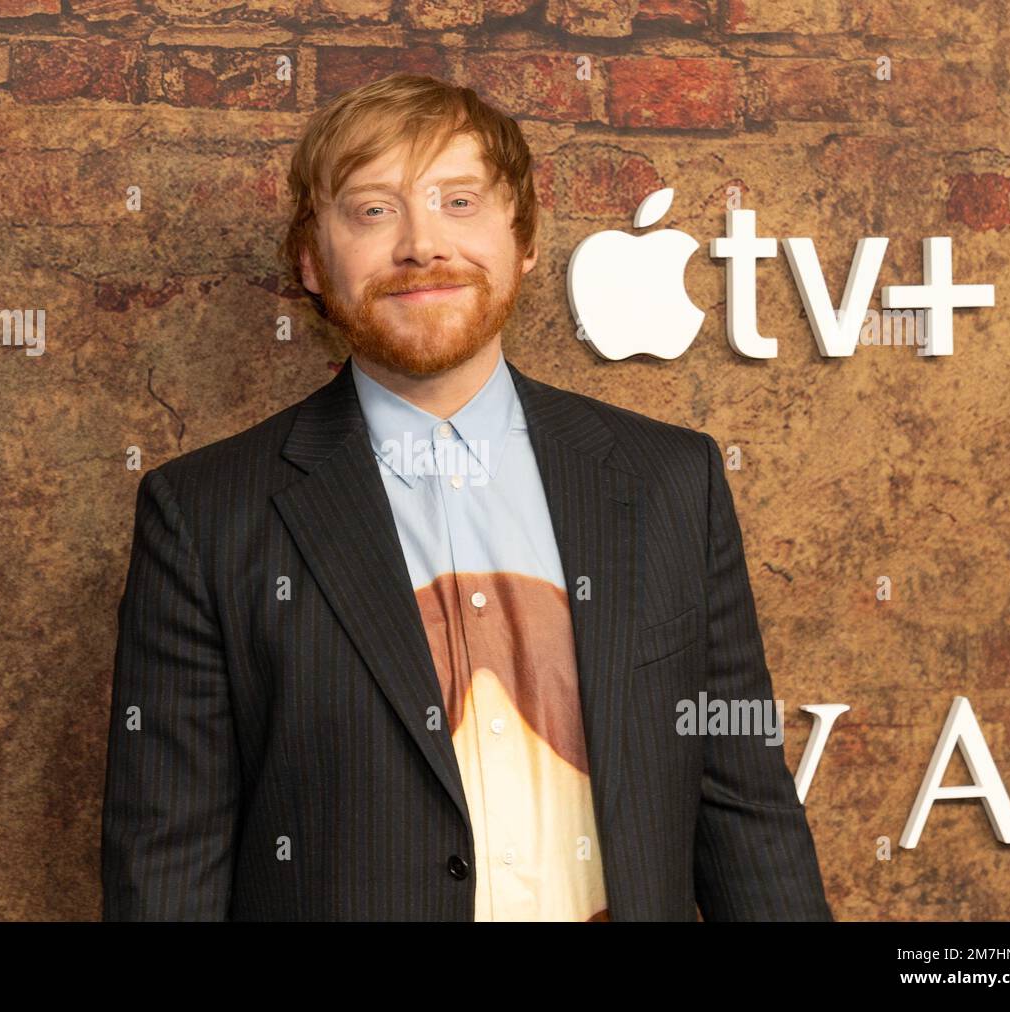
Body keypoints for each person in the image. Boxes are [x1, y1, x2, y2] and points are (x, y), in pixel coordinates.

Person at [101, 72, 834, 922]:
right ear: (310, 259)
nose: (422, 245)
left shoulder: (672, 481)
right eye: (374, 210)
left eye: (459, 201)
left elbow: (749, 814)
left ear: (522, 237)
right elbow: (168, 862)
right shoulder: (204, 516)